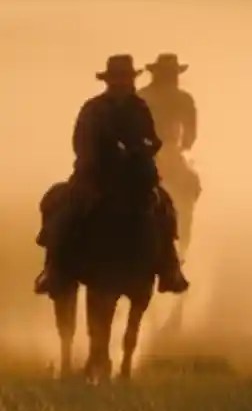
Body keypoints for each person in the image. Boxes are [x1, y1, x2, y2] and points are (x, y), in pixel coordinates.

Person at [35, 54, 189, 294]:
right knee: (64, 209)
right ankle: (54, 268)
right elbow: (80, 143)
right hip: (95, 176)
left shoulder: (140, 107)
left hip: (135, 178)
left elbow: (154, 139)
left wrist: (143, 151)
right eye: (118, 79)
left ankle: (170, 269)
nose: (123, 84)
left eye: (126, 79)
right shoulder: (93, 108)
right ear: (109, 82)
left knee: (164, 209)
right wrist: (102, 158)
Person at [138, 53, 200, 242]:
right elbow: (190, 135)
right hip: (166, 150)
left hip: (143, 151)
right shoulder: (182, 98)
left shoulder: (142, 96)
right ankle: (180, 242)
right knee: (190, 188)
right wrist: (183, 146)